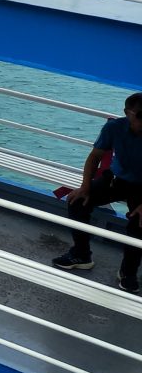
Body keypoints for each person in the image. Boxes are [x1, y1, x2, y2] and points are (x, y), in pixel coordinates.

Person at [52, 93, 142, 292]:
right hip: (116, 179)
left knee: (139, 225)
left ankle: (128, 272)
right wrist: (85, 187)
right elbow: (94, 158)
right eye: (141, 115)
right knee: (77, 202)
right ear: (128, 113)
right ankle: (81, 254)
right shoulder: (114, 128)